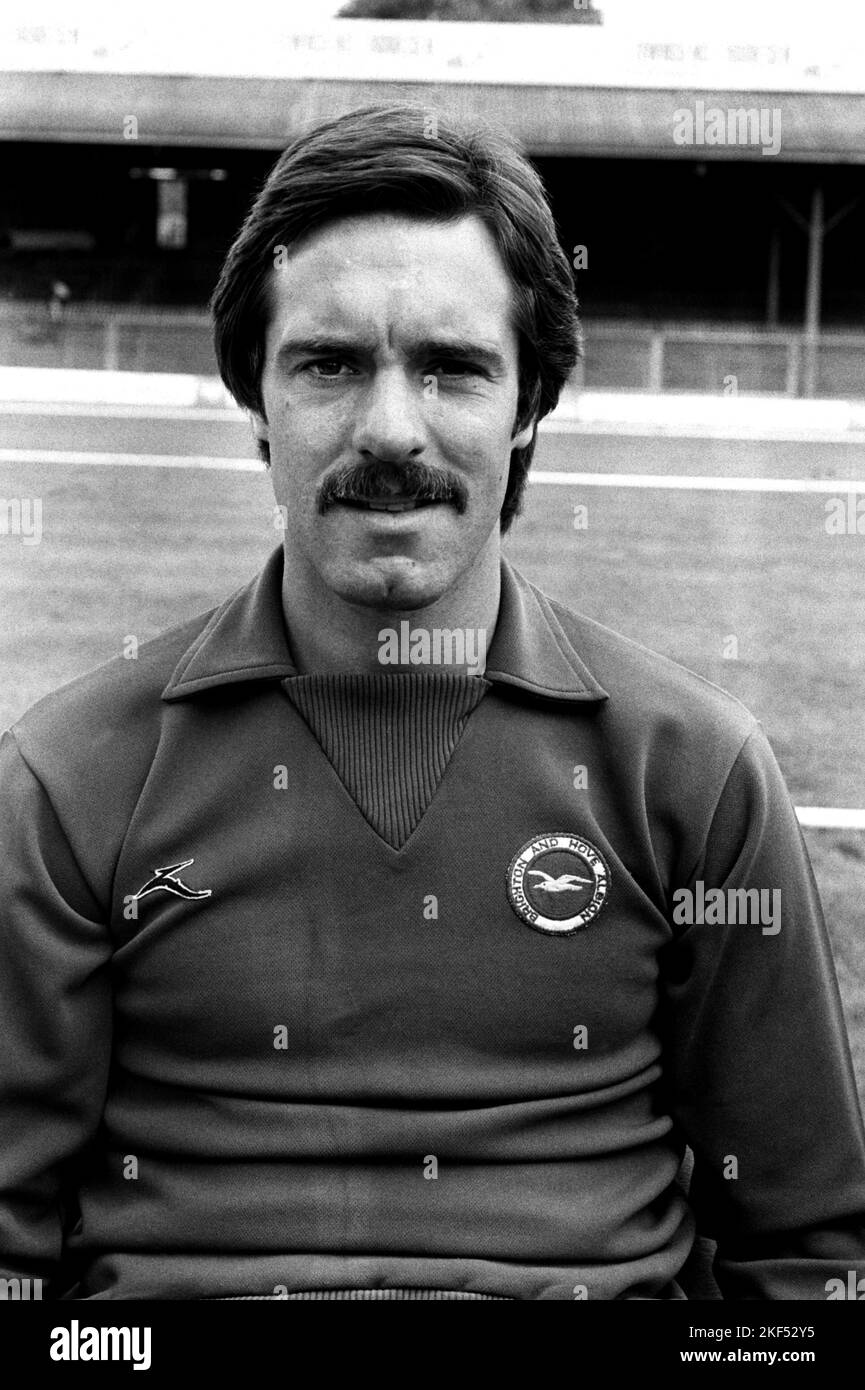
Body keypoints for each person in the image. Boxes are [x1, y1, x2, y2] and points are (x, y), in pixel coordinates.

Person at [1, 104, 864, 1303]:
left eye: (451, 367)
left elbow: (810, 1254)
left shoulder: (693, 773)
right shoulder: (68, 778)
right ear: (255, 391)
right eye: (330, 363)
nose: (389, 428)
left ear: (528, 406)